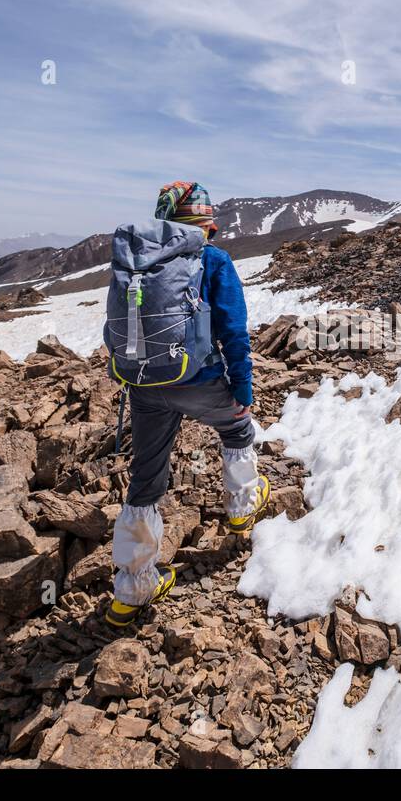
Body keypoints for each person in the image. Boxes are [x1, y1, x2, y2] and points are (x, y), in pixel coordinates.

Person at [105, 181, 270, 628]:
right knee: (237, 428)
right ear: (206, 225)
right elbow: (234, 331)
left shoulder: (137, 260)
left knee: (146, 476)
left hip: (143, 384)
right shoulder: (212, 259)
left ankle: (133, 588)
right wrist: (243, 391)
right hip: (197, 379)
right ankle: (242, 510)